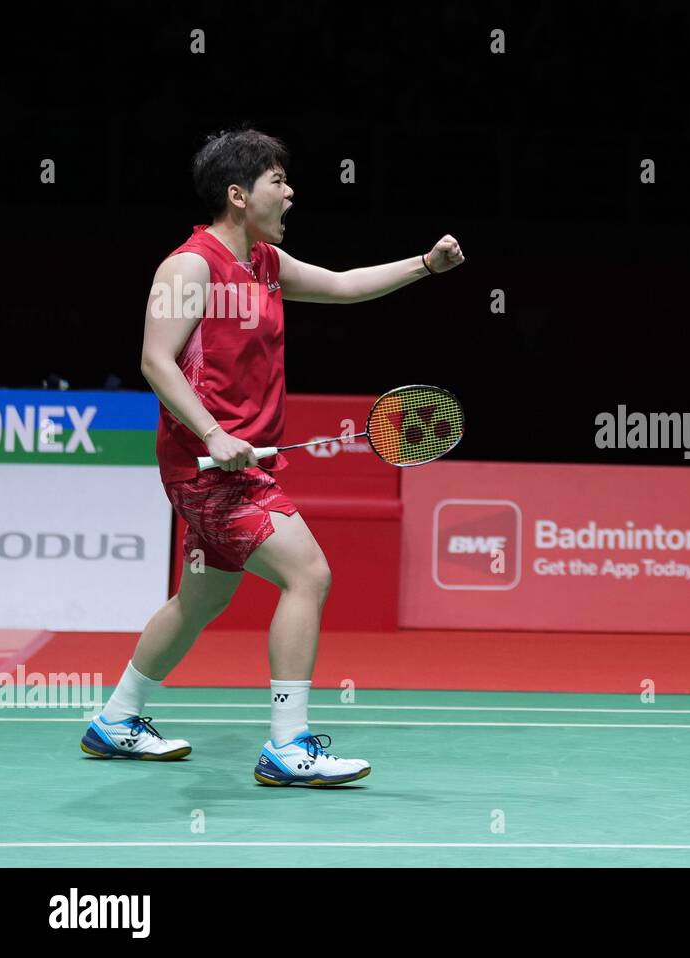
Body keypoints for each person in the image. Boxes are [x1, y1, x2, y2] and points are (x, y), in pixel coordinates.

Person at [80, 128, 465, 785]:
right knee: (309, 574)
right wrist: (212, 433)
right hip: (211, 467)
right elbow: (155, 360)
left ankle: (115, 721)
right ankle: (289, 745)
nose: (290, 194)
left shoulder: (265, 263)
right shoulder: (189, 266)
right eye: (278, 182)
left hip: (240, 461)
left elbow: (343, 286)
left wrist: (423, 265)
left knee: (201, 600)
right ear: (238, 194)